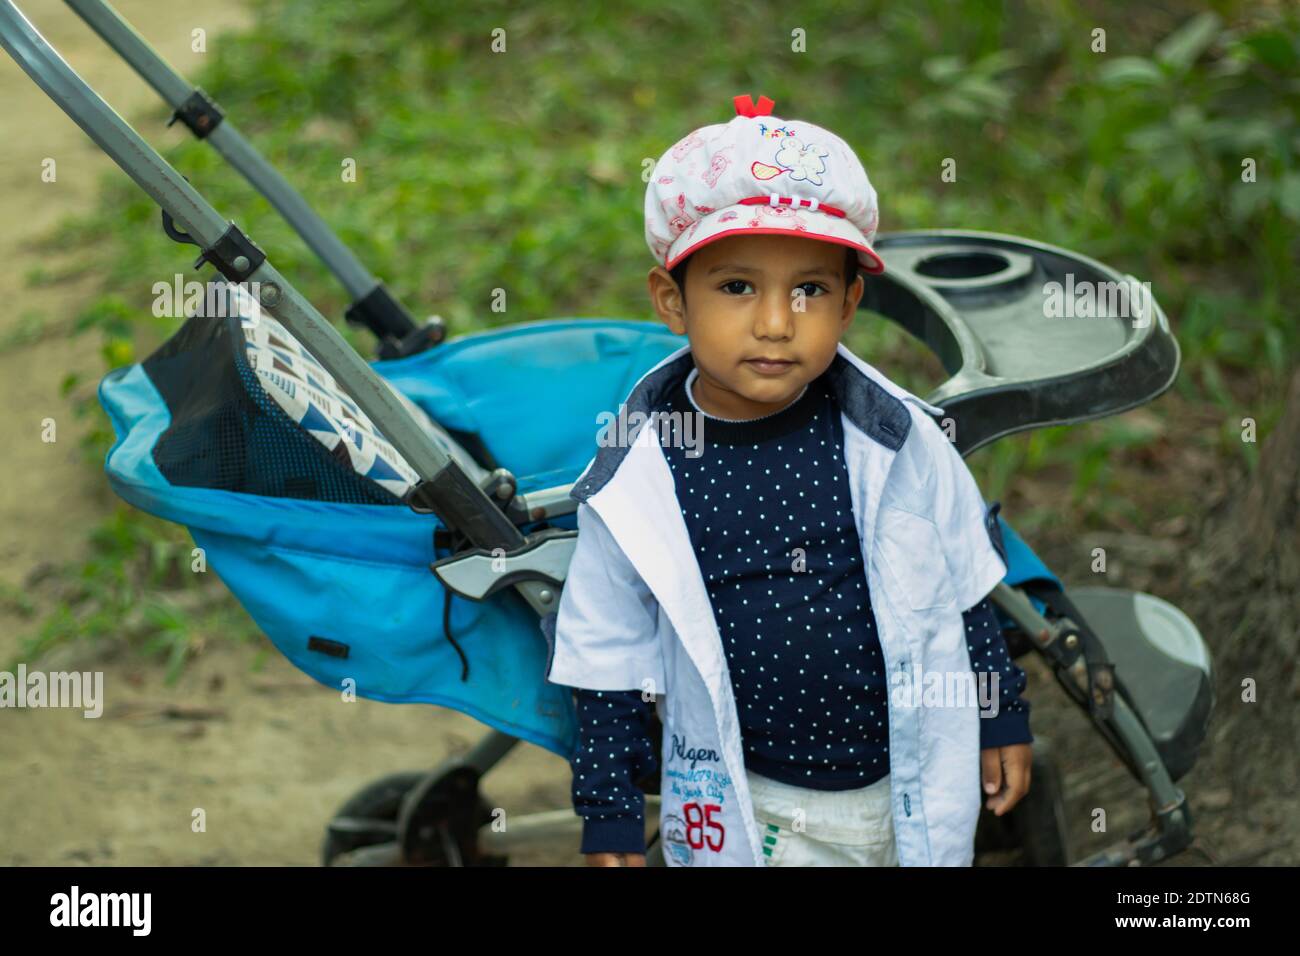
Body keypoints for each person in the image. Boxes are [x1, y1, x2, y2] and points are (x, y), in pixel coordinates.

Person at [543, 94, 1032, 867]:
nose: (776, 322)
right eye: (738, 288)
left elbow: (960, 588)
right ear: (672, 299)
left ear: (849, 303)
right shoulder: (642, 473)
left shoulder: (897, 441)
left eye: (809, 290)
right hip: (753, 807)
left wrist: (998, 717)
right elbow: (607, 651)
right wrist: (606, 810)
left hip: (902, 788)